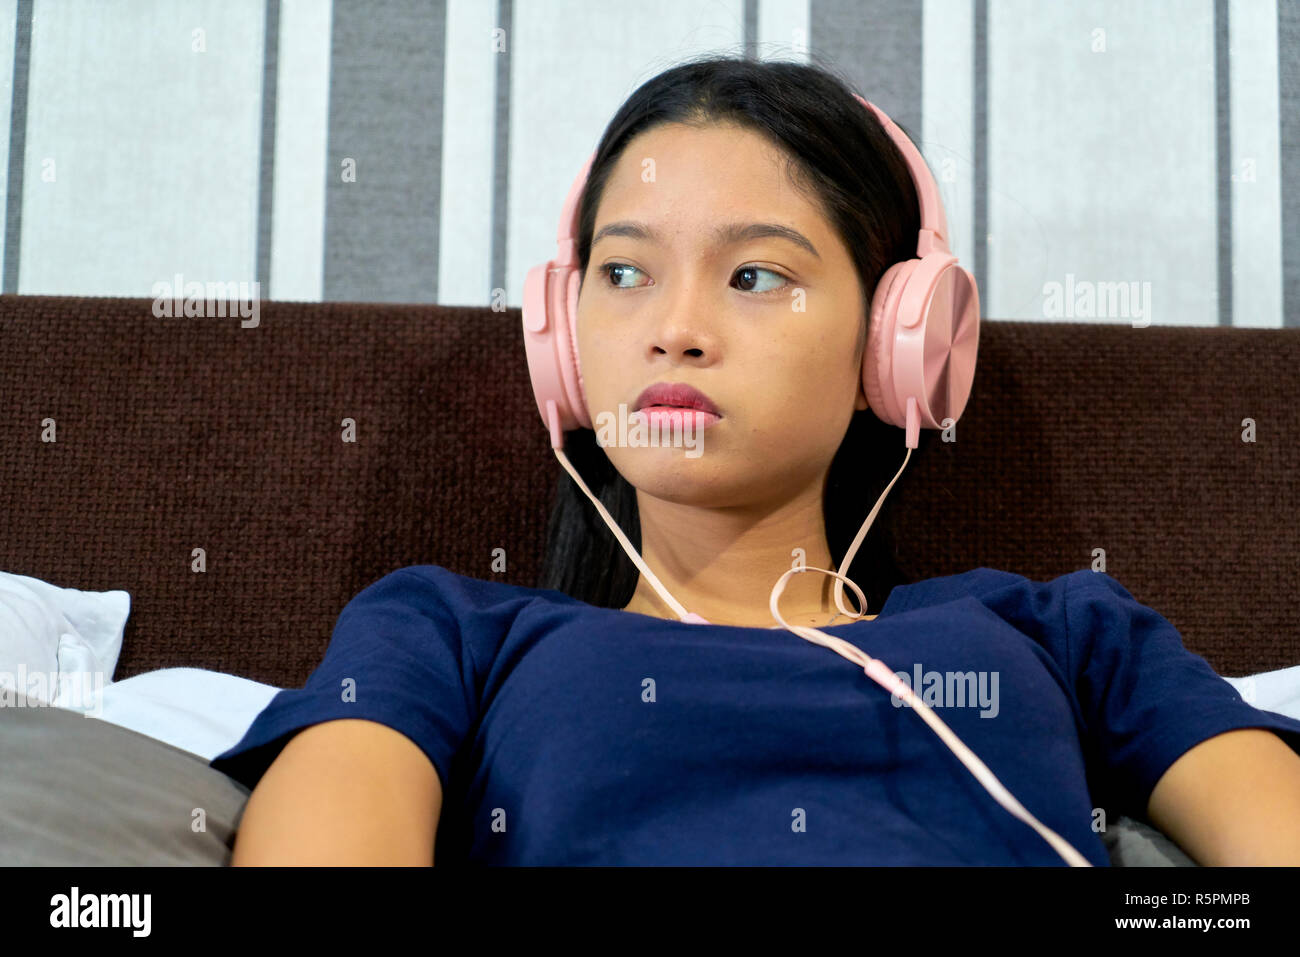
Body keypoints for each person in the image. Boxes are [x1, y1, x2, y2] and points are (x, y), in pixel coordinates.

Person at [210, 53, 1300, 867]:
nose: (671, 330)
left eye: (753, 276)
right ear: (562, 334)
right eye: (624, 273)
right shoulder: (442, 635)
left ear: (897, 340)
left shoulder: (1065, 634)